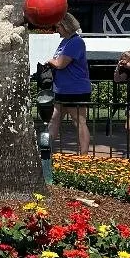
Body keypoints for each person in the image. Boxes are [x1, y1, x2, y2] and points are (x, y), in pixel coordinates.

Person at [47, 13, 92, 155]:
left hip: (75, 89)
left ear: (66, 25)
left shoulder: (76, 42)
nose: (56, 28)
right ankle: (45, 150)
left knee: (78, 121)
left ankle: (83, 155)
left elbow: (60, 64)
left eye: (59, 26)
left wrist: (49, 61)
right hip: (61, 88)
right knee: (54, 118)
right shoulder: (64, 41)